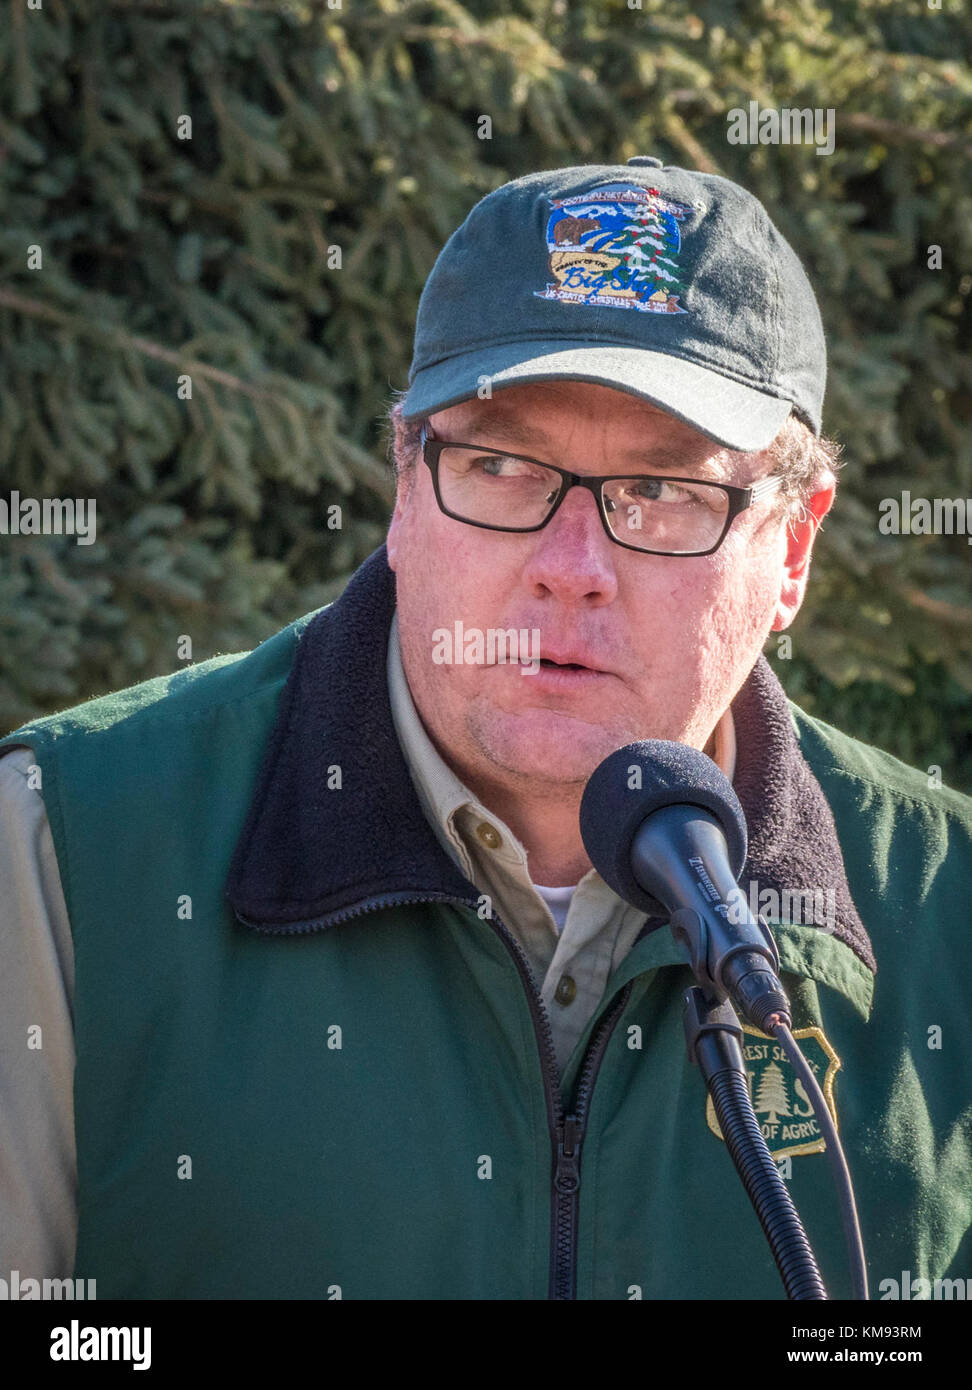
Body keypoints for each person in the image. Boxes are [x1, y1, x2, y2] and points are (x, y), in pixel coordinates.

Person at [1, 158, 970, 1301]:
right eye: (503, 466)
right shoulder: (63, 854)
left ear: (794, 548)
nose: (573, 570)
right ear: (405, 485)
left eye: (662, 491)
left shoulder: (946, 907)